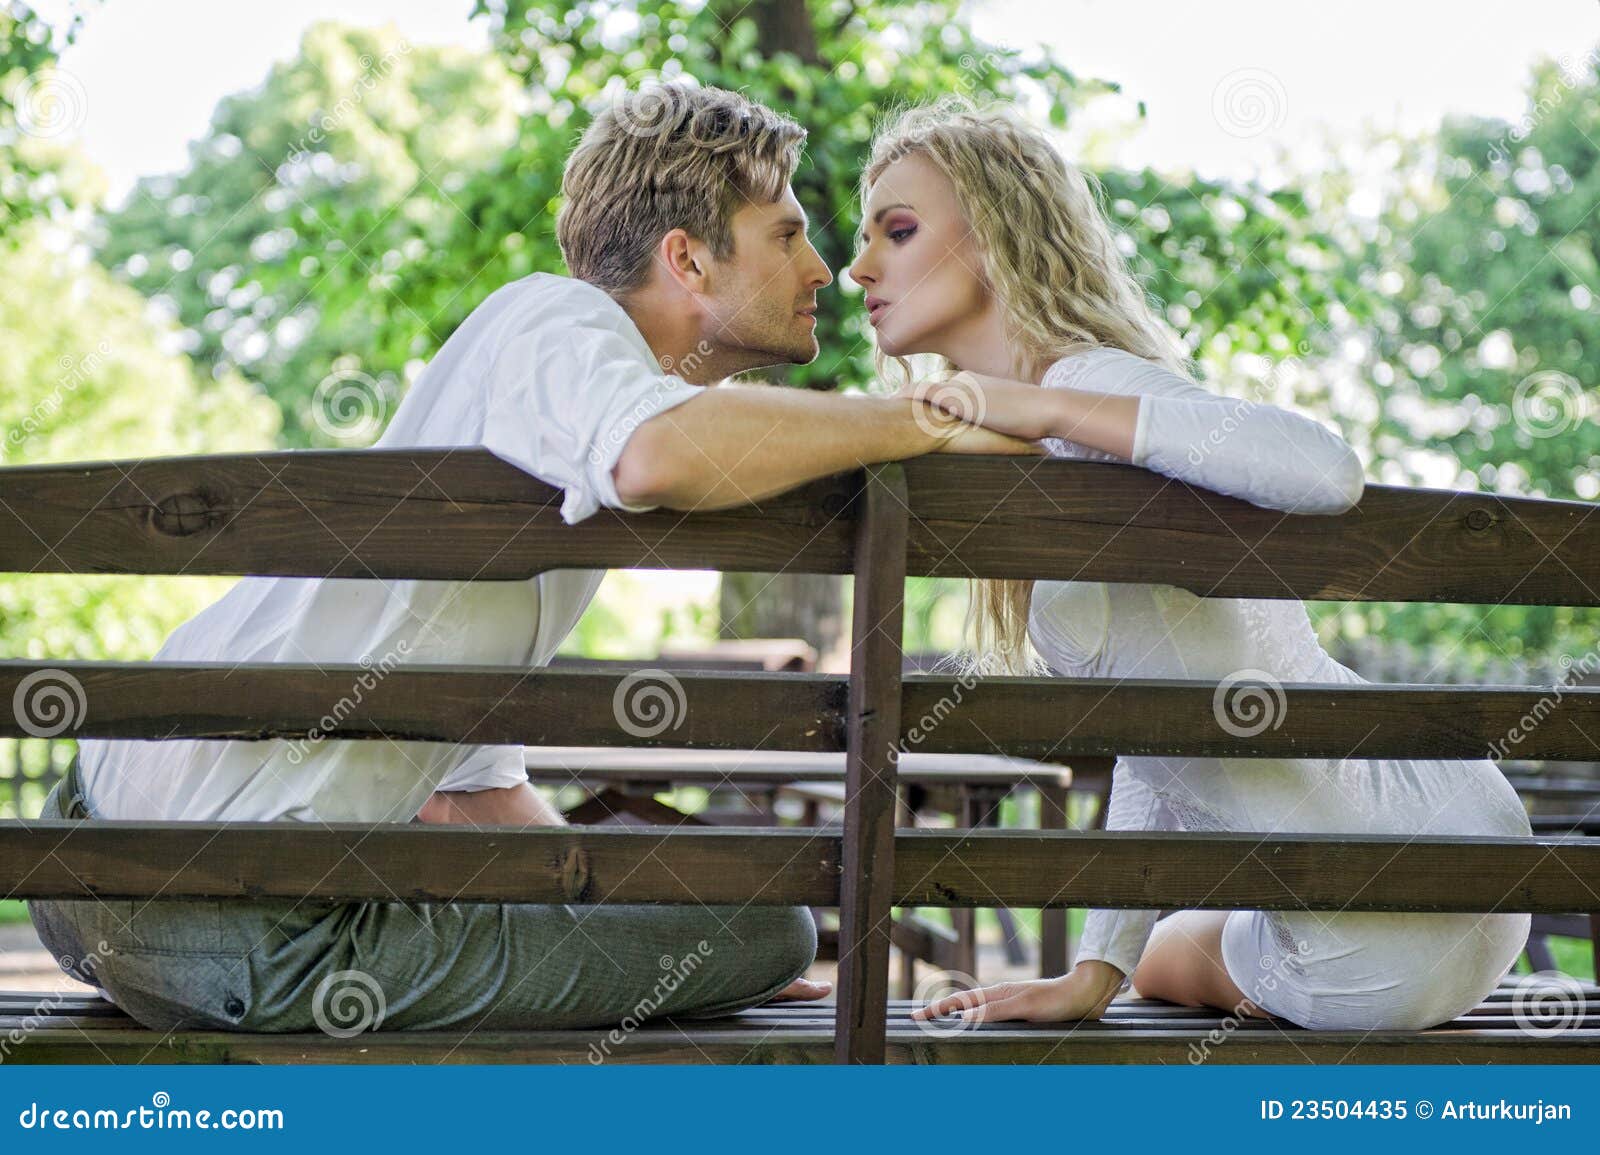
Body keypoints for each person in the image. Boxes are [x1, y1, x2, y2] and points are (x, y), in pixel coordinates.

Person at [26, 84, 1038, 1036]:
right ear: (686, 261)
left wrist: (656, 943)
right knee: (772, 924)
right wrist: (929, 415)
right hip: (230, 919)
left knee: (743, 929)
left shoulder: (537, 402)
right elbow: (653, 455)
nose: (822, 269)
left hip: (89, 863)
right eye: (787, 234)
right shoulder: (560, 319)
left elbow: (473, 793)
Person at [843, 98, 1533, 1031]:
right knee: (1177, 942)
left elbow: (1326, 469)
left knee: (1170, 954)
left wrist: (1042, 406)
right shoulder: (1082, 410)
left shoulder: (1083, 384)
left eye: (898, 231)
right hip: (1483, 856)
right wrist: (1097, 966)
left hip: (1376, 937)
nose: (859, 267)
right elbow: (1156, 720)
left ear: (997, 236)